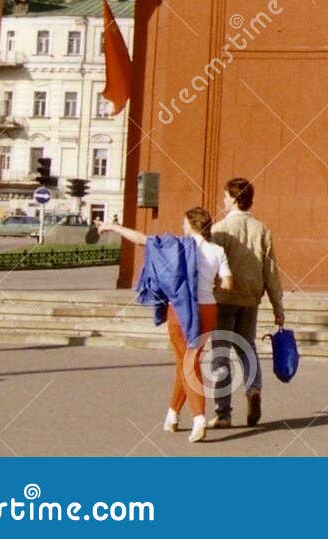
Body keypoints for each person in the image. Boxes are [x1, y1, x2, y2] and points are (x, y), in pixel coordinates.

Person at [103, 208, 231, 443]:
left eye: (184, 223)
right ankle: (172, 415)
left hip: (181, 310)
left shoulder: (177, 246)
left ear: (191, 225)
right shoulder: (218, 250)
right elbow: (227, 283)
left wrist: (113, 227)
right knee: (187, 362)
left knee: (187, 364)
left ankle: (199, 418)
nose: (182, 227)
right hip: (209, 309)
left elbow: (142, 240)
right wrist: (210, 282)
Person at [208, 176, 286, 428]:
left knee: (220, 352)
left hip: (224, 297)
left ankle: (223, 413)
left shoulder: (220, 230)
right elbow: (270, 271)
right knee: (246, 347)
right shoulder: (262, 230)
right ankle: (253, 390)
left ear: (232, 199)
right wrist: (278, 307)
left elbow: (210, 266)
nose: (223, 200)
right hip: (251, 297)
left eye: (225, 196)